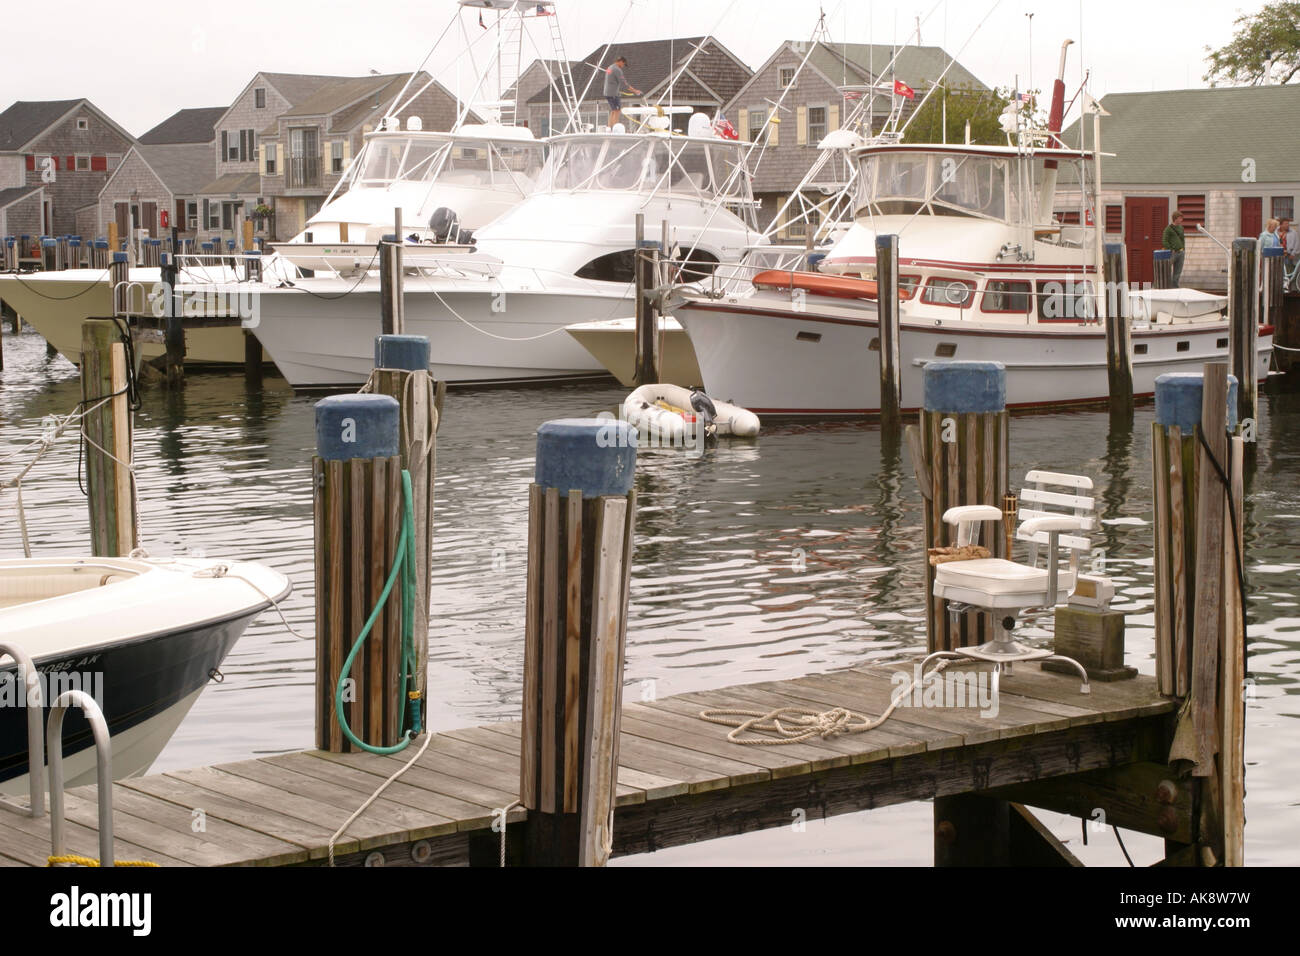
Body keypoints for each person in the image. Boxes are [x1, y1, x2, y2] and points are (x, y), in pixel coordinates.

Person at [603, 55, 641, 129]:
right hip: (613, 93)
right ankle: (615, 128)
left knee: (613, 110)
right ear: (620, 62)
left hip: (607, 92)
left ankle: (609, 127)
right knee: (617, 110)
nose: (623, 66)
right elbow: (624, 83)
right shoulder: (617, 70)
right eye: (623, 64)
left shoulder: (609, 67)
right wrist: (635, 91)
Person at [1162, 211, 1186, 287]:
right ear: (1175, 218)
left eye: (1182, 218)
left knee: (1177, 273)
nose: (1181, 220)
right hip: (1172, 253)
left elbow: (1182, 239)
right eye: (1180, 218)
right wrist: (1170, 249)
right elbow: (1164, 240)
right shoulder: (1168, 229)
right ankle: (1164, 286)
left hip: (1181, 252)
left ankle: (1175, 287)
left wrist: (1183, 248)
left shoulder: (1181, 228)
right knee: (1166, 271)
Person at [1280, 217, 1299, 291]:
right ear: (1281, 225)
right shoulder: (1277, 232)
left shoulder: (1293, 232)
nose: (1287, 225)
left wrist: (1293, 253)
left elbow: (1297, 243)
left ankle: (1289, 287)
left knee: (1289, 271)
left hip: (1288, 254)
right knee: (1280, 271)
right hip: (1279, 254)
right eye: (1285, 223)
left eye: (1288, 223)